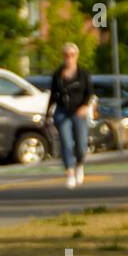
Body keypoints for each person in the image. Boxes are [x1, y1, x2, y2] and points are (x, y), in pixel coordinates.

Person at [46, 42, 92, 189]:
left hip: (78, 112)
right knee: (66, 142)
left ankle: (79, 164)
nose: (69, 58)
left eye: (72, 55)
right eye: (66, 55)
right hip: (62, 112)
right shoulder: (58, 75)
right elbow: (53, 95)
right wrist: (48, 114)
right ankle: (70, 173)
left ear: (76, 56)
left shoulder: (83, 74)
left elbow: (89, 92)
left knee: (81, 144)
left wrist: (85, 106)